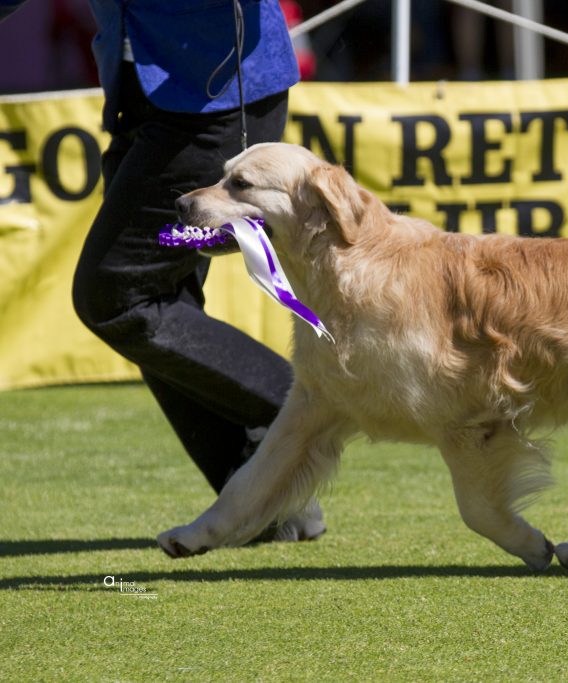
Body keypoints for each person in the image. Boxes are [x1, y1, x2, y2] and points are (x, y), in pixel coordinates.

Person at [0, 0, 325, 542]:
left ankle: (305, 406)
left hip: (215, 101)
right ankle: (264, 504)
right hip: (141, 99)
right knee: (155, 296)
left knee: (119, 296)